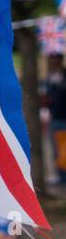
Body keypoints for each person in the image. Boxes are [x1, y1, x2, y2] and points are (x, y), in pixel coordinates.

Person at [44, 53, 66, 185]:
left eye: (55, 59)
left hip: (64, 118)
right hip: (55, 118)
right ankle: (60, 176)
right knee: (56, 150)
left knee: (63, 150)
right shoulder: (49, 78)